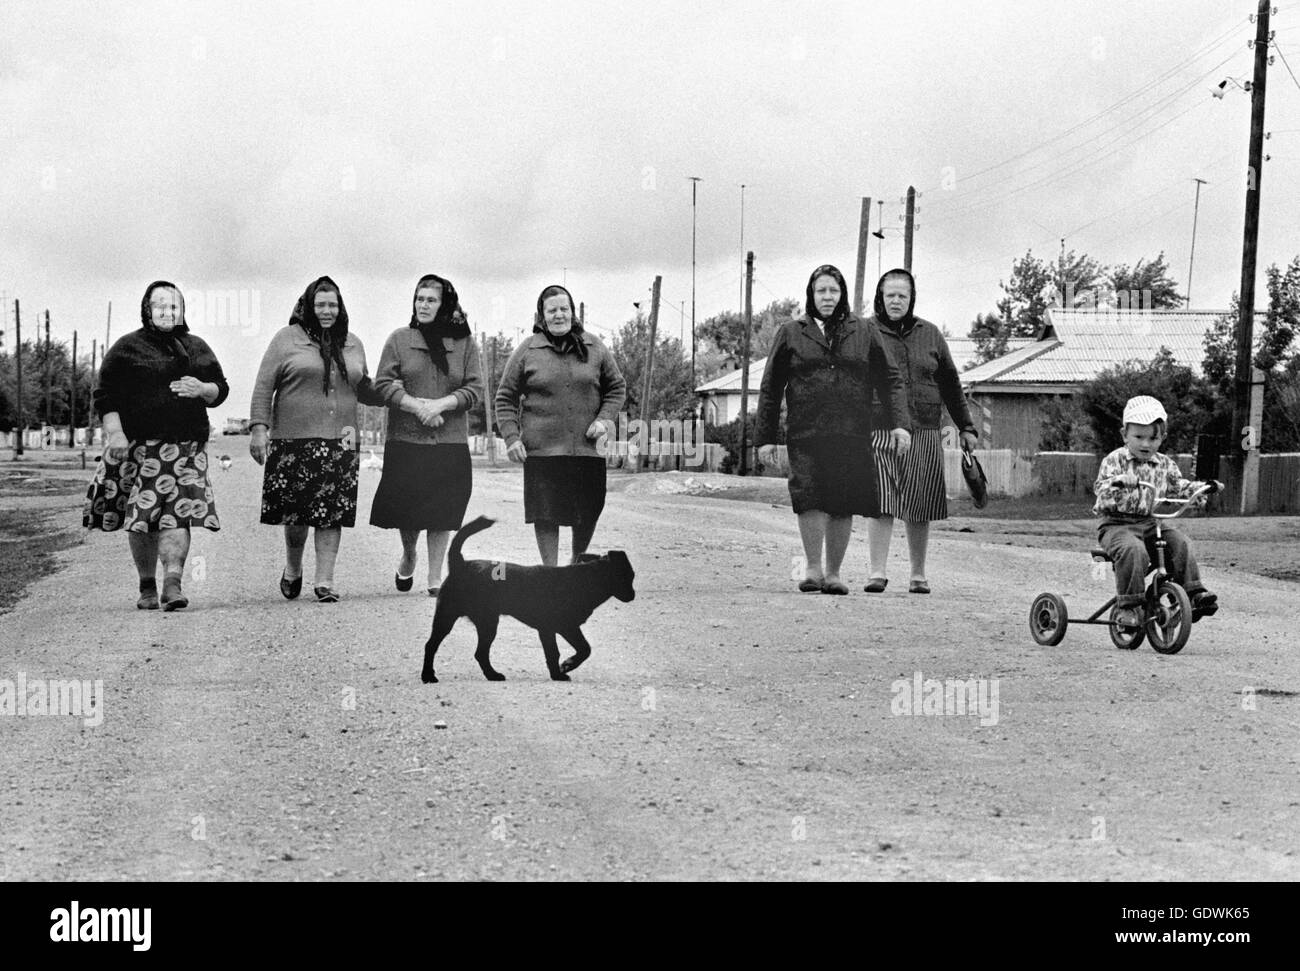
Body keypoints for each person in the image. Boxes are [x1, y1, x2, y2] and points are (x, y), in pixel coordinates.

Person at [755, 264, 911, 595]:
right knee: (809, 496)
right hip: (805, 432)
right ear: (811, 294)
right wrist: (765, 438)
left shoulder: (864, 331)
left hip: (851, 432)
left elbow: (890, 379)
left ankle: (834, 573)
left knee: (842, 500)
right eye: (821, 290)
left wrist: (900, 424)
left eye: (833, 290)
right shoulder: (791, 332)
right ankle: (812, 568)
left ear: (842, 295)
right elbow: (770, 388)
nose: (827, 296)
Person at [84, 281, 229, 610]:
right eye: (160, 306)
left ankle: (173, 584)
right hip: (138, 448)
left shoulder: (197, 348)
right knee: (142, 517)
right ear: (147, 310)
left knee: (178, 516)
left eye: (174, 306)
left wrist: (202, 388)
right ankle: (147, 586)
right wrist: (116, 434)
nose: (167, 312)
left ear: (182, 311)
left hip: (186, 448)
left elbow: (221, 390)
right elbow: (105, 396)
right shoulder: (126, 348)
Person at [249, 276, 383, 603]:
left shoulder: (353, 343)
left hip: (342, 442)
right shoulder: (286, 339)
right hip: (294, 441)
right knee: (297, 517)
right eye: (320, 305)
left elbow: (363, 386)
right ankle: (293, 568)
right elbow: (264, 385)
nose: (327, 311)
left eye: (332, 305)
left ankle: (325, 581)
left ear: (341, 308)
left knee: (331, 514)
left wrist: (394, 390)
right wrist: (258, 428)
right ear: (308, 306)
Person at [494, 284, 626, 566]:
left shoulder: (594, 346)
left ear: (573, 312)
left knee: (588, 510)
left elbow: (616, 387)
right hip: (543, 452)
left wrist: (604, 420)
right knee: (546, 513)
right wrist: (511, 438)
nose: (558, 315)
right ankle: (551, 575)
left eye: (564, 309)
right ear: (541, 315)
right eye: (551, 310)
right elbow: (505, 397)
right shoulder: (527, 351)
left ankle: (576, 565)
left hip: (587, 451)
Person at [864, 268, 978, 595]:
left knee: (920, 502)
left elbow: (952, 385)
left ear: (912, 298)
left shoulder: (930, 335)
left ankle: (918, 574)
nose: (896, 301)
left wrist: (966, 426)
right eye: (890, 295)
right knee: (881, 500)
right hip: (879, 429)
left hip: (925, 429)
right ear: (880, 298)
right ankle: (877, 572)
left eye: (903, 295)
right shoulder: (865, 332)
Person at [370, 274, 484, 596]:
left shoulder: (464, 344)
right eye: (419, 299)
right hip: (406, 440)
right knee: (410, 510)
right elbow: (383, 384)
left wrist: (441, 405)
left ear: (445, 304)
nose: (423, 305)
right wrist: (416, 407)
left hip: (449, 443)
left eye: (431, 300)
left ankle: (436, 578)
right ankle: (409, 555)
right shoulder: (399, 340)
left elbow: (474, 389)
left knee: (442, 511)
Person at [1093, 395, 1219, 627]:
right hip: (1116, 525)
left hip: (1151, 524)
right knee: (1134, 550)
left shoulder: (1164, 464)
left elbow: (1178, 486)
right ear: (1124, 435)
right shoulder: (1115, 460)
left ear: (1162, 438)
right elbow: (1101, 489)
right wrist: (1120, 482)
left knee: (1181, 543)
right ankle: (1128, 607)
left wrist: (1200, 489)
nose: (1145, 444)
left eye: (1153, 438)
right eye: (1138, 437)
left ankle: (1193, 594)